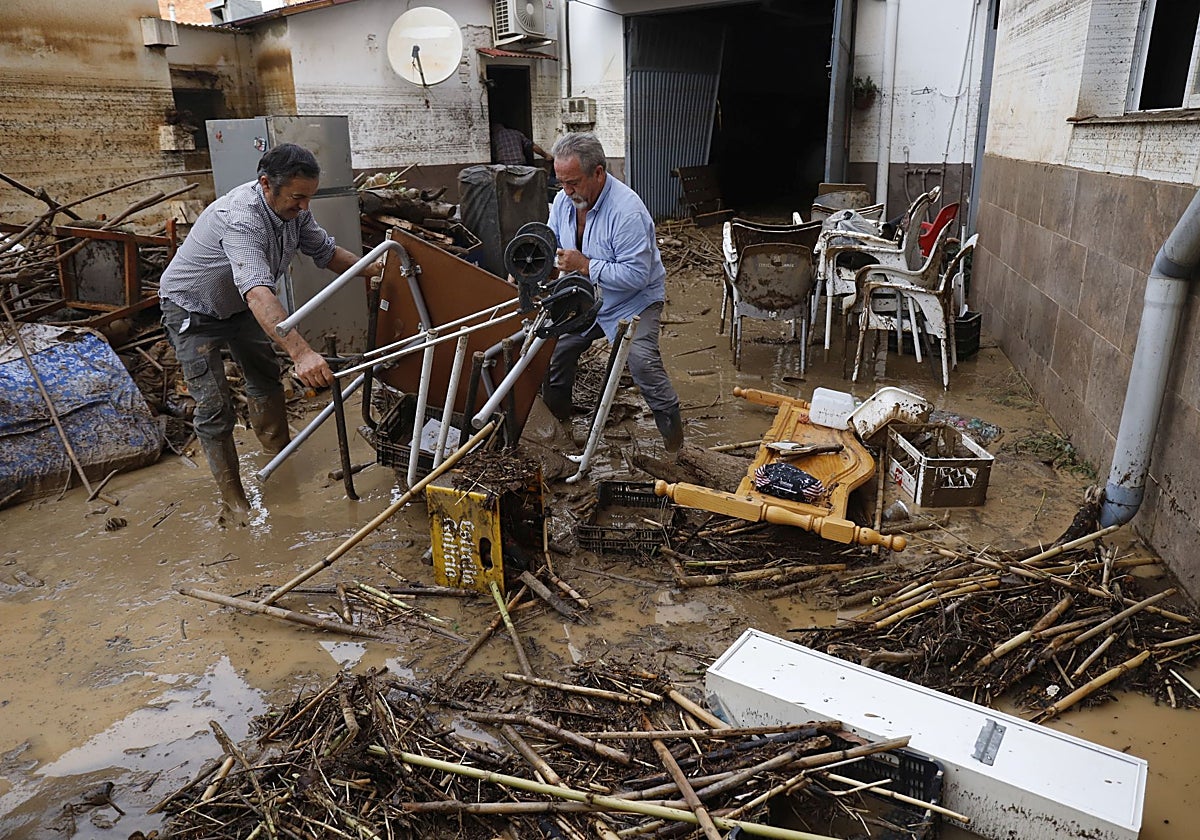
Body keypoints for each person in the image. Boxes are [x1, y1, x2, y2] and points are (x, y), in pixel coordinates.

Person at [158, 143, 381, 525]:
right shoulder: (240, 218)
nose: (305, 207)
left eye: (308, 197)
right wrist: (302, 353)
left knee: (264, 377)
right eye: (297, 198)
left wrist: (380, 268)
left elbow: (327, 254)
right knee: (215, 405)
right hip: (193, 309)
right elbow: (259, 293)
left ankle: (278, 457)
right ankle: (234, 502)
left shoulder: (294, 213)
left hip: (238, 306)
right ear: (266, 184)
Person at [541, 132, 683, 453]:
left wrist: (585, 265)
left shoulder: (627, 212)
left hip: (633, 301)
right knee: (555, 350)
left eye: (573, 183)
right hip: (586, 297)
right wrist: (536, 262)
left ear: (598, 173)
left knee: (642, 362)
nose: (566, 191)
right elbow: (551, 240)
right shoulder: (563, 201)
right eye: (561, 183)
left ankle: (675, 444)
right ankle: (559, 432)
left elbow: (636, 276)